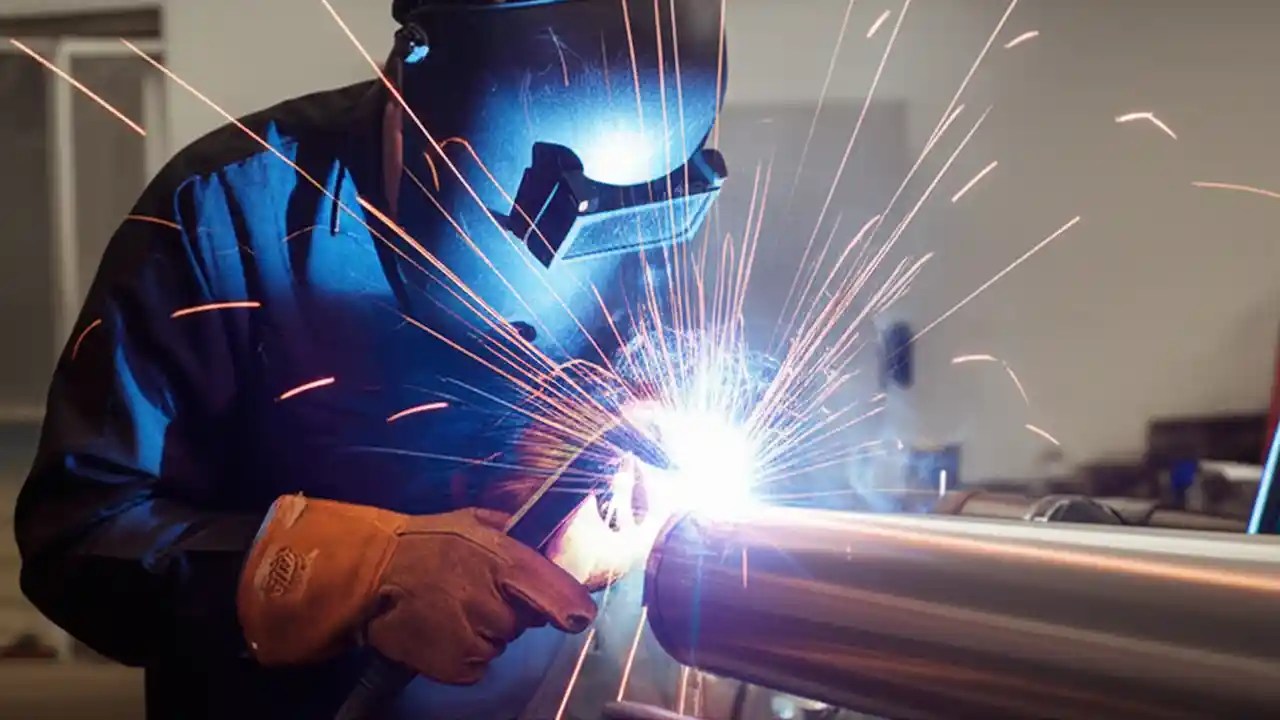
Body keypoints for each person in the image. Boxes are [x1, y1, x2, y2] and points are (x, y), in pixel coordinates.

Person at [14, 1, 727, 718]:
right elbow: (79, 539)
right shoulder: (226, 212)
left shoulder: (646, 185)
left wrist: (624, 432)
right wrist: (352, 574)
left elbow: (658, 354)